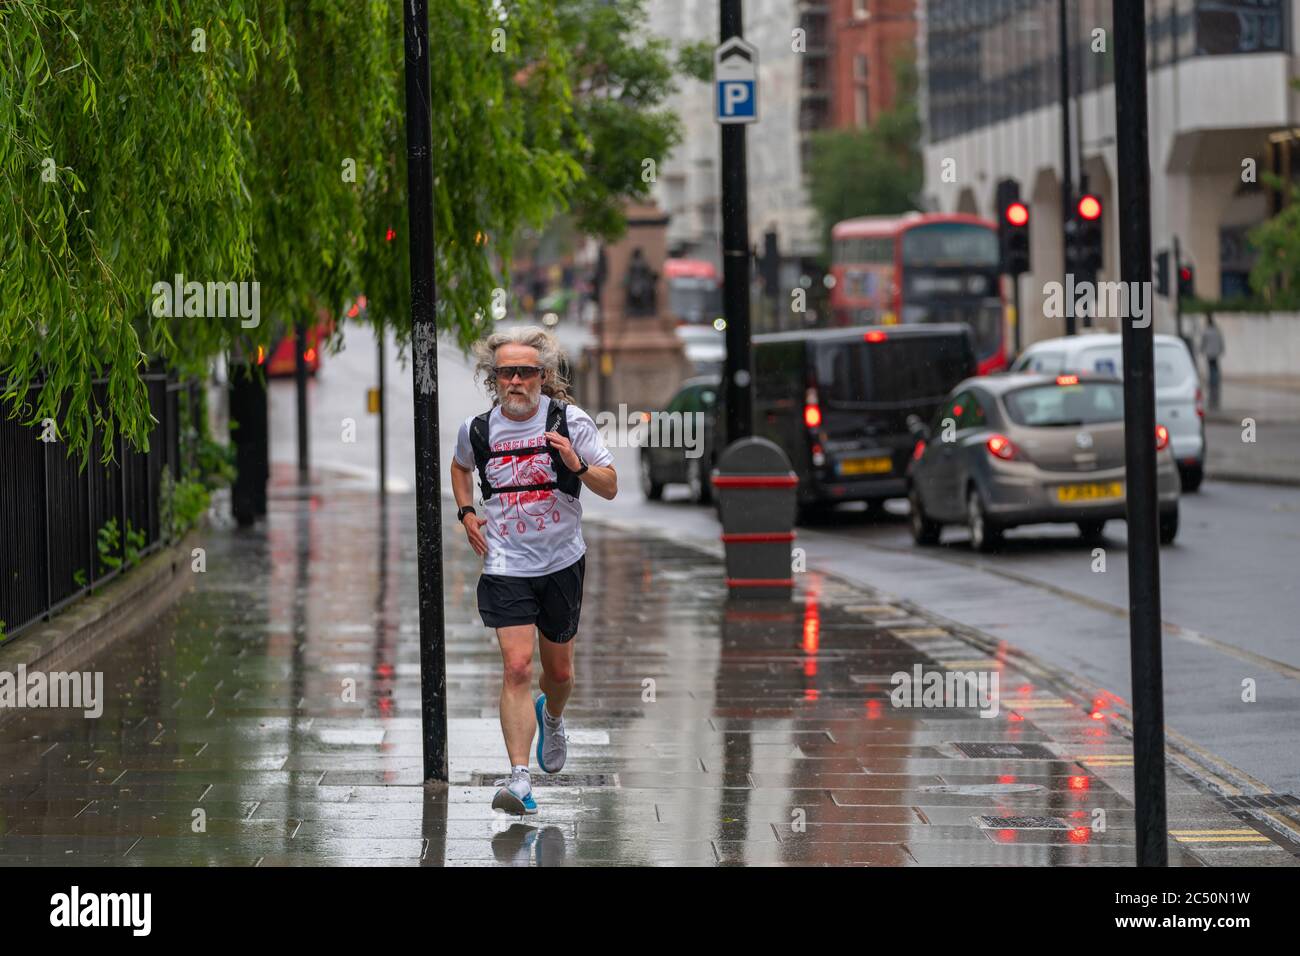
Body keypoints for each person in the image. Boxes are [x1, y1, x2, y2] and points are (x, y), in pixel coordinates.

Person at [451, 326, 617, 815]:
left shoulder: (571, 421)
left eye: (526, 372)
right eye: (507, 373)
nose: (516, 381)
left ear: (542, 377)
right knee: (517, 667)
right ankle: (520, 778)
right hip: (505, 562)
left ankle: (554, 714)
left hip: (562, 561)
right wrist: (466, 514)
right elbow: (460, 467)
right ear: (494, 379)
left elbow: (610, 486)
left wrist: (577, 464)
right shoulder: (477, 430)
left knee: (558, 672)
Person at [1201, 312, 1224, 411]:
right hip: (1216, 352)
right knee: (1215, 367)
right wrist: (1221, 349)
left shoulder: (1206, 331)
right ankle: (1215, 381)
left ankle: (1212, 381)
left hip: (1209, 353)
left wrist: (1201, 349)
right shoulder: (1217, 330)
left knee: (1211, 368)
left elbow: (1203, 342)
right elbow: (1221, 341)